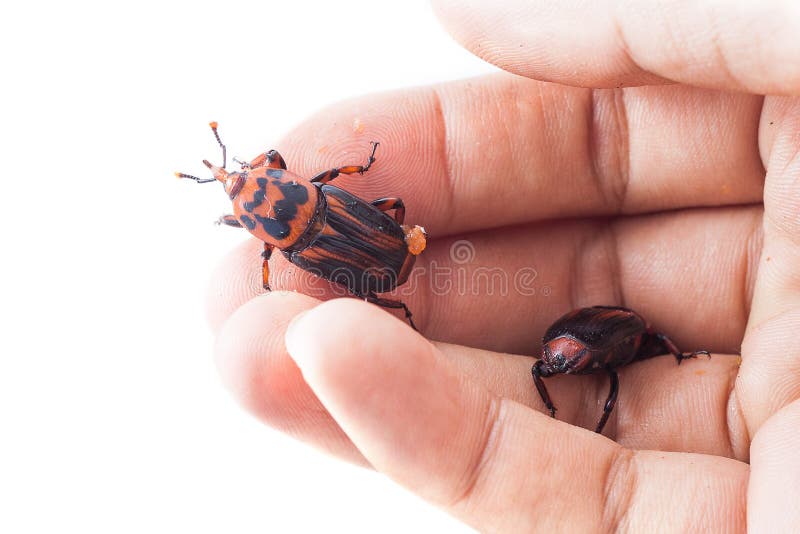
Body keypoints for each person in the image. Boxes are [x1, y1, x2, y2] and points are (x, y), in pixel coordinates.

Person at [207, 1, 800, 530]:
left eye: (251, 180)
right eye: (244, 191)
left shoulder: (289, 240)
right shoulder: (314, 197)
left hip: (367, 265)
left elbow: (269, 265)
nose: (248, 181)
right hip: (374, 249)